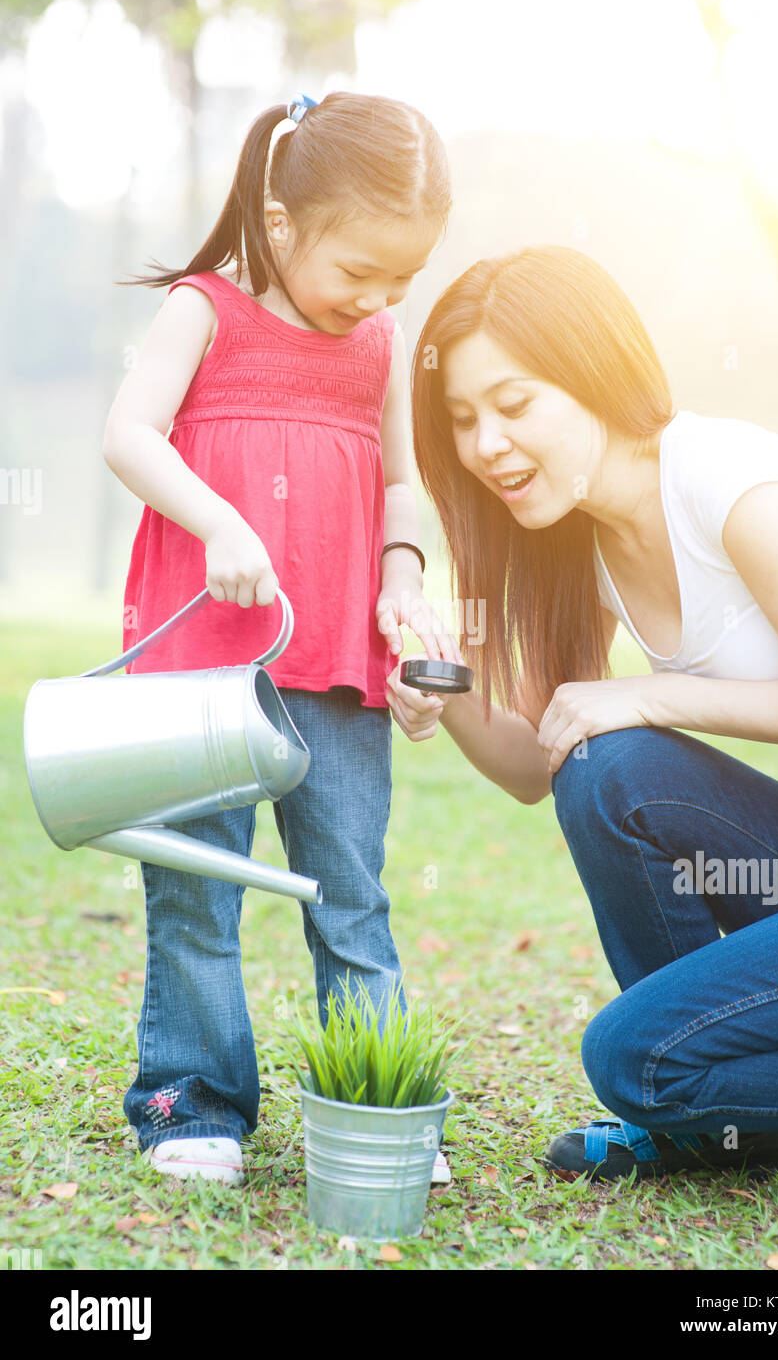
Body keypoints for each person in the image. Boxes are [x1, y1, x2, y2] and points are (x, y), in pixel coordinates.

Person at [388, 244, 778, 1183]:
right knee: (607, 766)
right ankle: (723, 1132)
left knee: (631, 1059)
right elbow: (542, 764)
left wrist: (650, 691)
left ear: (593, 375)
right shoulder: (589, 540)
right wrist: (439, 691)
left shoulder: (733, 487)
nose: (486, 445)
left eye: (514, 405)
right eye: (464, 420)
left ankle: (691, 1101)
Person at [103, 92, 463, 1185]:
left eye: (402, 279)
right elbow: (128, 433)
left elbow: (403, 484)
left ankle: (369, 1104)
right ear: (281, 217)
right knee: (199, 890)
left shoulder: (378, 342)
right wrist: (220, 519)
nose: (379, 298)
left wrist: (401, 582)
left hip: (338, 674)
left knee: (350, 892)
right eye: (359, 270)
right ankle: (193, 1105)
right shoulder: (202, 310)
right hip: (203, 668)